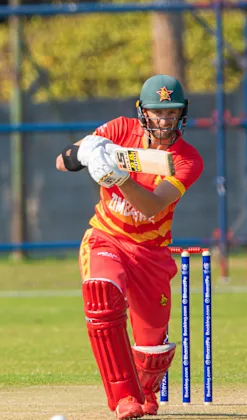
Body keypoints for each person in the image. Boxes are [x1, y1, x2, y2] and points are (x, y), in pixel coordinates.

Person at [55, 75, 204, 419]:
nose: (164, 120)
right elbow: (62, 162)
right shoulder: (120, 129)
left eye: (171, 112)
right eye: (156, 112)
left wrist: (118, 178)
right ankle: (123, 399)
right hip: (107, 237)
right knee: (101, 292)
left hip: (151, 254)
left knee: (152, 353)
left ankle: (144, 391)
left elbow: (152, 206)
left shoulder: (187, 159)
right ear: (143, 112)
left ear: (182, 114)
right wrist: (87, 151)